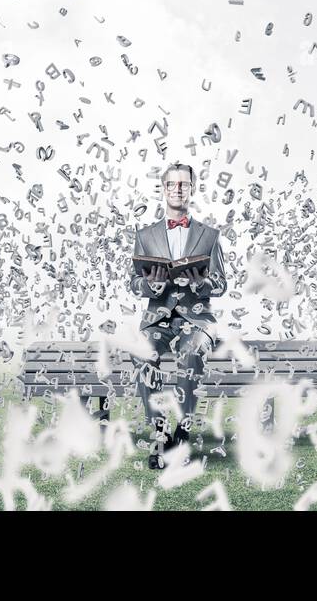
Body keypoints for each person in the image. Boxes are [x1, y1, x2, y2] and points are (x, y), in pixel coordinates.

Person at [128, 162, 227, 468]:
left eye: (184, 184)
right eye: (173, 184)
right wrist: (152, 284)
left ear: (192, 188)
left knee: (192, 350)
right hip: (158, 320)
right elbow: (134, 282)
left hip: (196, 322)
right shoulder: (145, 235)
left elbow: (221, 283)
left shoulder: (210, 235)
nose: (178, 189)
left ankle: (182, 433)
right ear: (164, 188)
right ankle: (159, 433)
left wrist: (203, 283)